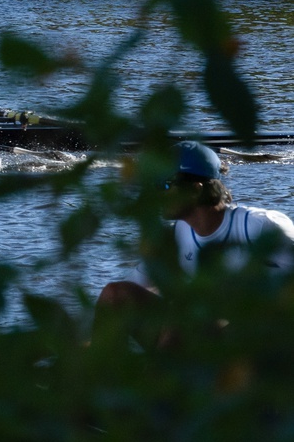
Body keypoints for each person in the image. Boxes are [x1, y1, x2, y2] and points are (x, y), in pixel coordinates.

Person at [94, 141, 294, 347]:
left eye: (164, 184)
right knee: (115, 295)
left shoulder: (259, 226)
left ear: (196, 190)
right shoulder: (175, 236)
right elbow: (133, 289)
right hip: (210, 335)